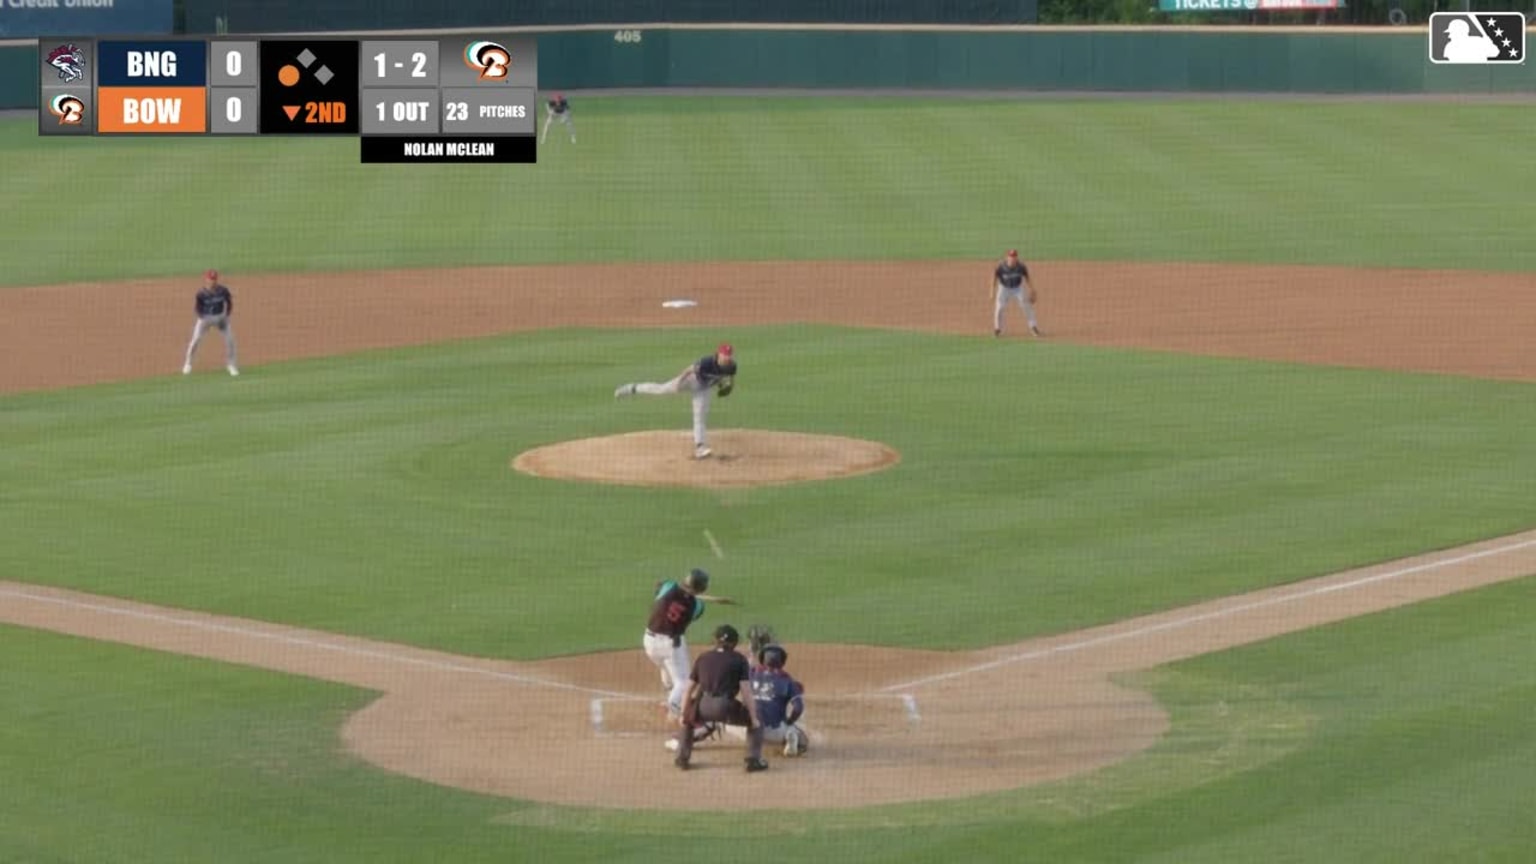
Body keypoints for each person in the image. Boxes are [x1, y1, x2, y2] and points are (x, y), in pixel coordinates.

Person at [614, 343, 738, 459]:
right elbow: (689, 369)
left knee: (700, 416)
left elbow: (729, 378)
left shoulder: (732, 366)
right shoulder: (708, 361)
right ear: (719, 354)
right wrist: (678, 382)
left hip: (703, 389)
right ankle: (631, 388)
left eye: (728, 355)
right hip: (690, 380)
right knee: (661, 389)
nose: (726, 357)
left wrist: (729, 387)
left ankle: (700, 447)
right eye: (724, 355)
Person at [672, 624, 768, 773]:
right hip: (725, 706)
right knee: (757, 719)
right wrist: (754, 718)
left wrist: (684, 715)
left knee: (688, 719)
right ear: (734, 643)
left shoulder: (703, 658)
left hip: (703, 706)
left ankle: (682, 758)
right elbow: (746, 691)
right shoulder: (739, 659)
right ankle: (752, 760)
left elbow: (688, 690)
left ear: (715, 640)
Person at [644, 568, 736, 722]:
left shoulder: (669, 587)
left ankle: (670, 694)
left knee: (664, 666)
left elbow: (660, 586)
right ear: (701, 588)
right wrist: (691, 597)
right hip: (670, 645)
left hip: (649, 642)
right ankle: (675, 707)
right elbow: (690, 607)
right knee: (684, 682)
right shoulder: (697, 606)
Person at [183, 269, 239, 376]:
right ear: (206, 279)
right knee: (195, 340)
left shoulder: (223, 290)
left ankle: (231, 365)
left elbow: (229, 302)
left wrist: (226, 315)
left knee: (230, 340)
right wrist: (202, 317)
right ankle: (188, 364)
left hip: (220, 318)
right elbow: (198, 307)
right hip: (205, 319)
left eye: (214, 279)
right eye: (210, 279)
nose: (212, 281)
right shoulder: (201, 293)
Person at [992, 249, 1041, 338]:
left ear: (1016, 258)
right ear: (1007, 257)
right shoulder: (1001, 266)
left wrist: (1033, 290)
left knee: (1026, 306)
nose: (1012, 259)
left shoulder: (1021, 266)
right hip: (1004, 288)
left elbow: (1027, 278)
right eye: (1011, 257)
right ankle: (997, 328)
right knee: (999, 307)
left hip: (1017, 288)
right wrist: (992, 290)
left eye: (1014, 257)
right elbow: (994, 277)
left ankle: (1033, 327)